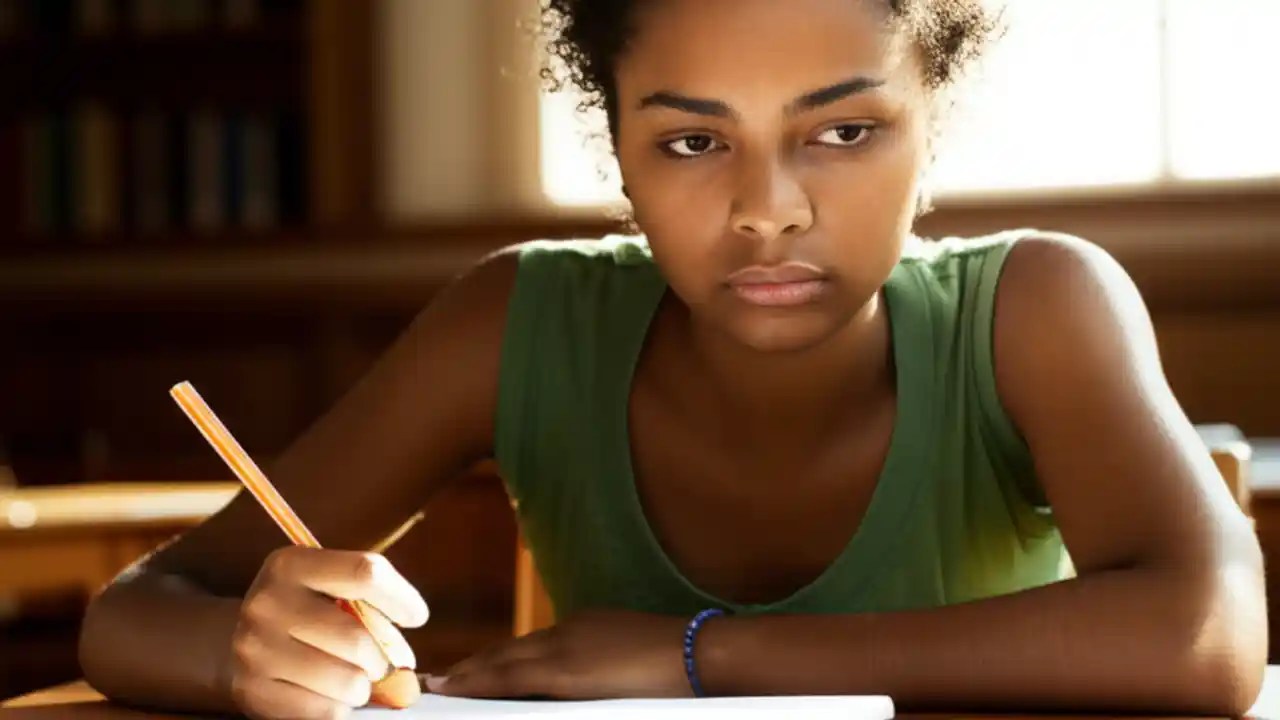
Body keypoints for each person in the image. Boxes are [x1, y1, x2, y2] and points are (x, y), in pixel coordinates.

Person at [79, 1, 1266, 718]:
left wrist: (699, 656)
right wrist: (254, 662)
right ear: (618, 147)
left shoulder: (1031, 308)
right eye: (693, 140)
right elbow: (133, 616)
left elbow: (1205, 635)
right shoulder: (517, 322)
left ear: (931, 131)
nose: (766, 211)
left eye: (843, 132)